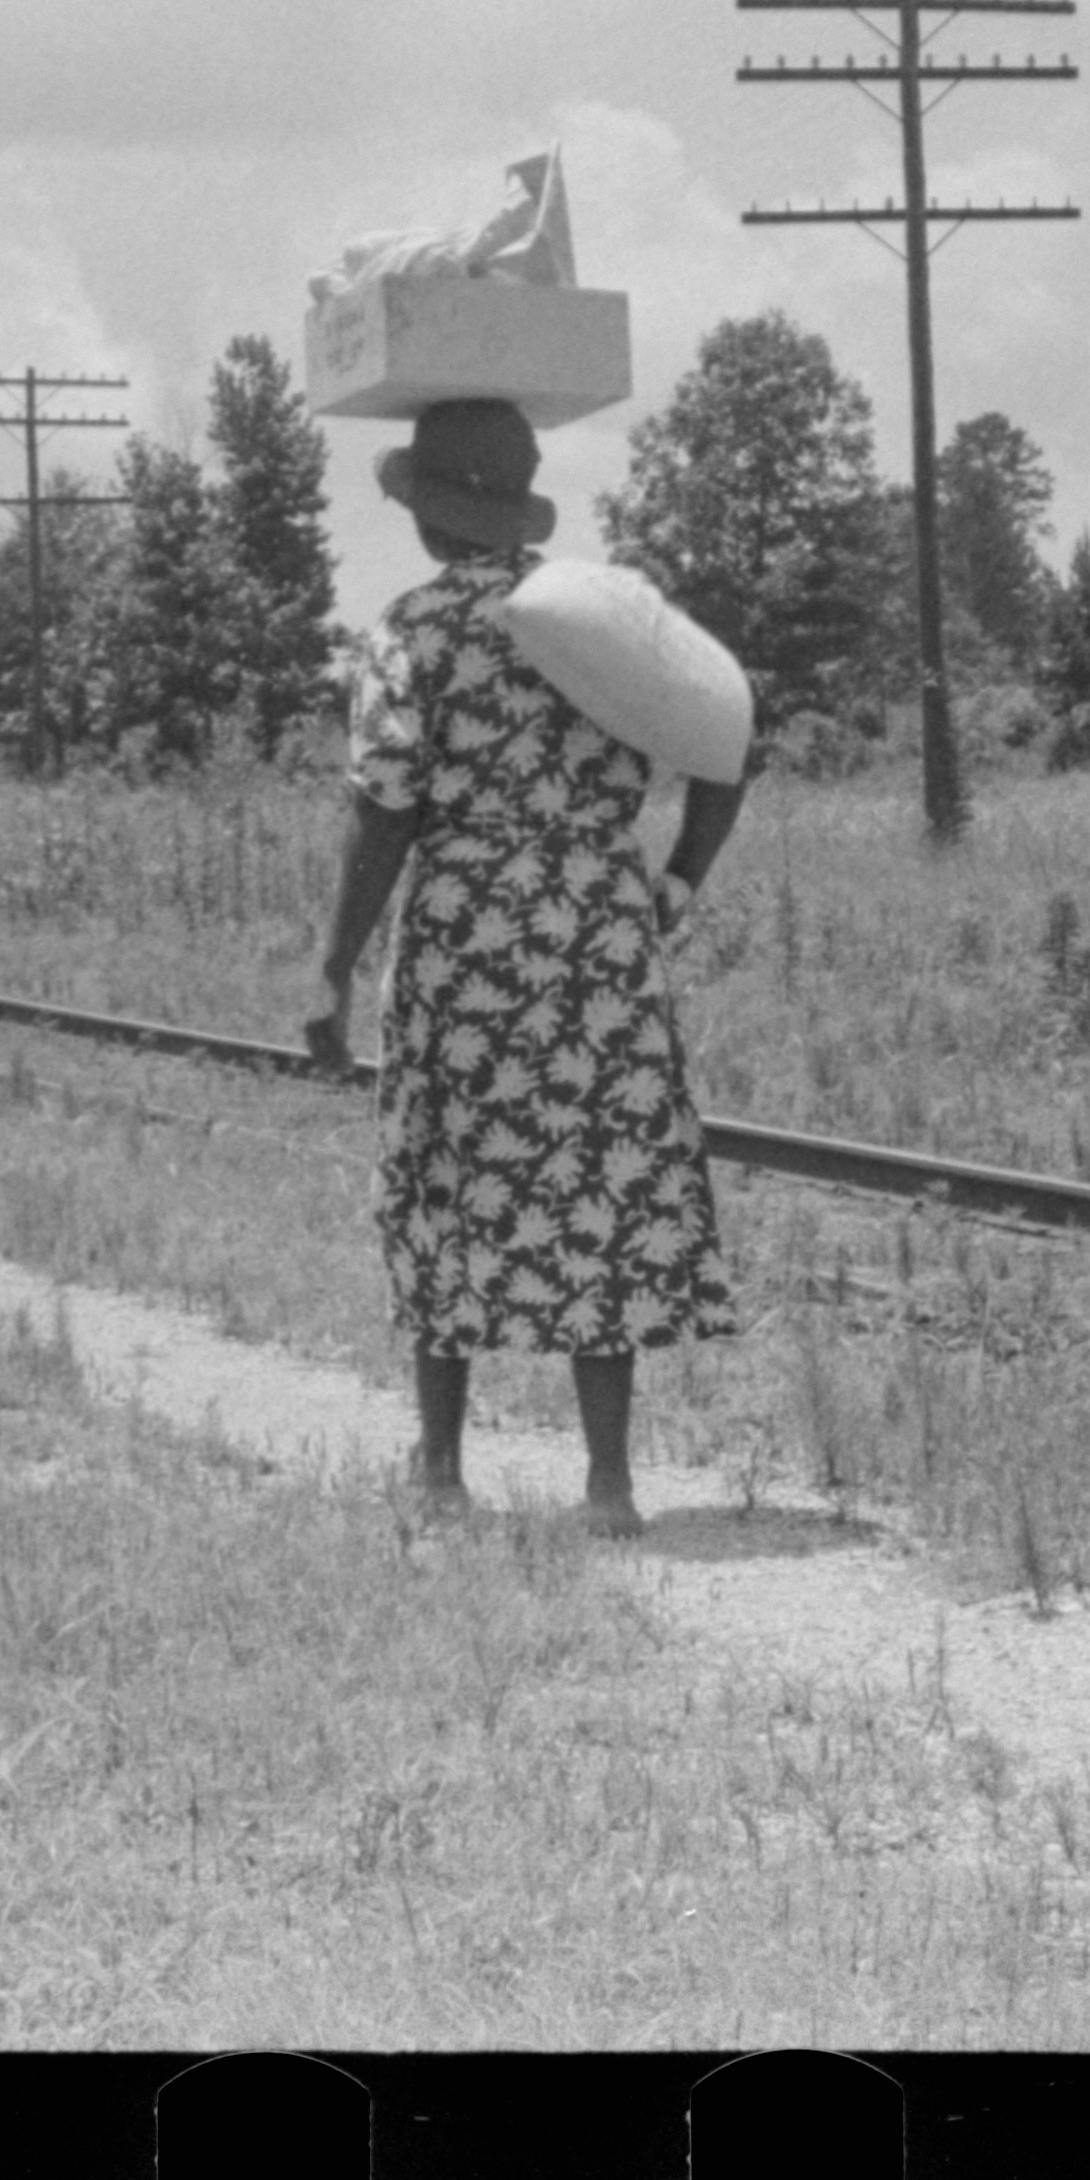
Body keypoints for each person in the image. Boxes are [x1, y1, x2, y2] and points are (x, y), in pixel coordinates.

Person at [308, 397, 749, 1537]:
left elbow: (384, 809)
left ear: (428, 514)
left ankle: (441, 1473)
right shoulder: (604, 618)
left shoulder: (412, 628)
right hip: (601, 934)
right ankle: (608, 1485)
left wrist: (334, 964)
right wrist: (675, 883)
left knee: (444, 1178)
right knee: (601, 1179)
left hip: (465, 937)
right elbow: (728, 737)